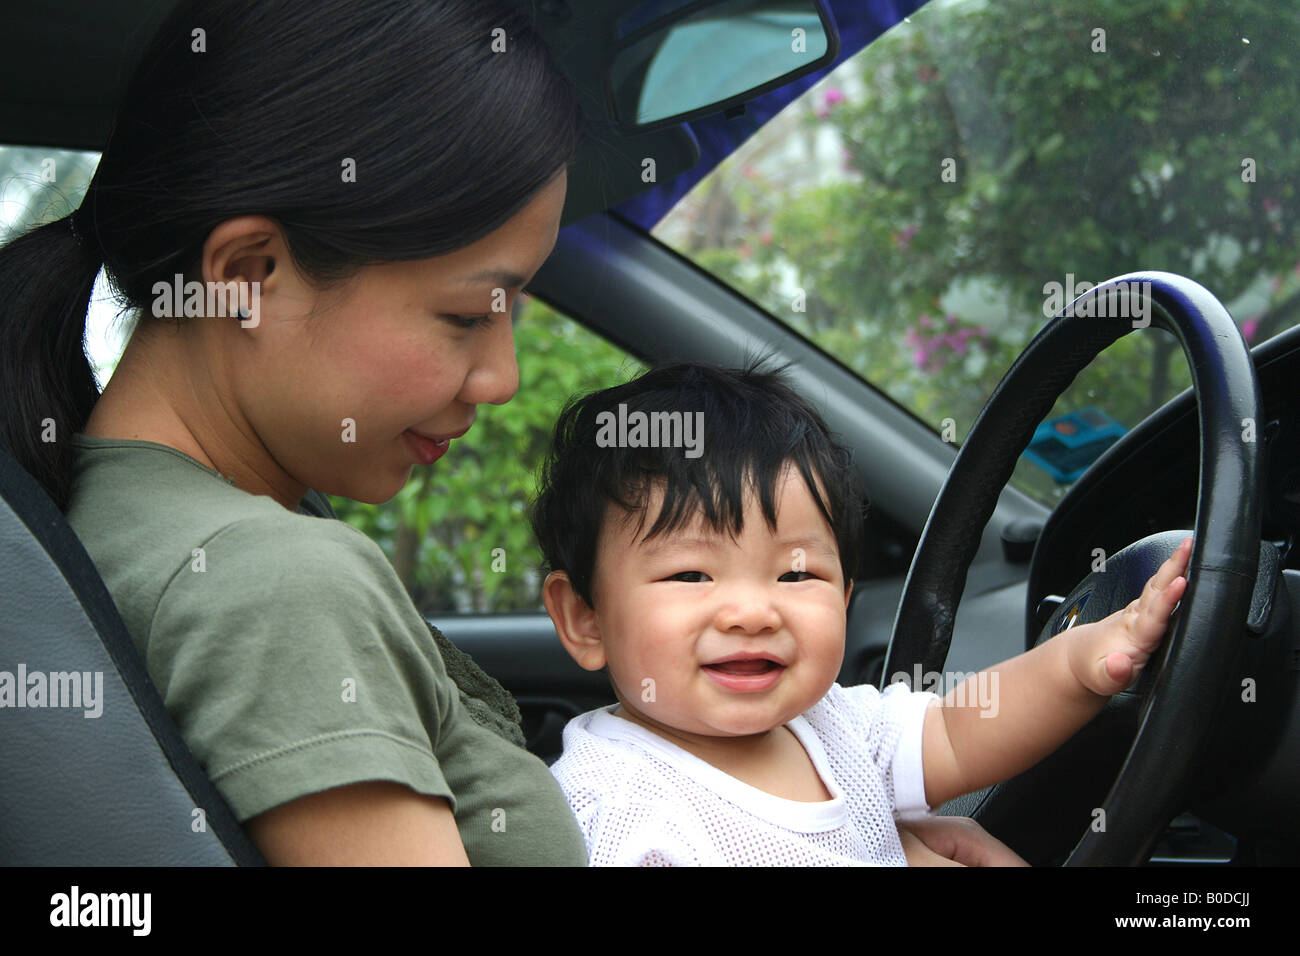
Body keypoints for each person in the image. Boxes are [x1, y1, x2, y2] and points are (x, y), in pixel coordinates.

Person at [0, 0, 1026, 867]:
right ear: (247, 277)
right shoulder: (275, 586)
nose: (502, 377)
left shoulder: (116, 520)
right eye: (465, 313)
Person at [531, 359, 1189, 866]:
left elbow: (962, 731)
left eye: (796, 574)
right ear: (584, 618)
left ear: (845, 597)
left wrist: (1086, 661)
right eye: (690, 574)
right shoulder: (612, 806)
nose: (753, 612)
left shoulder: (834, 726)